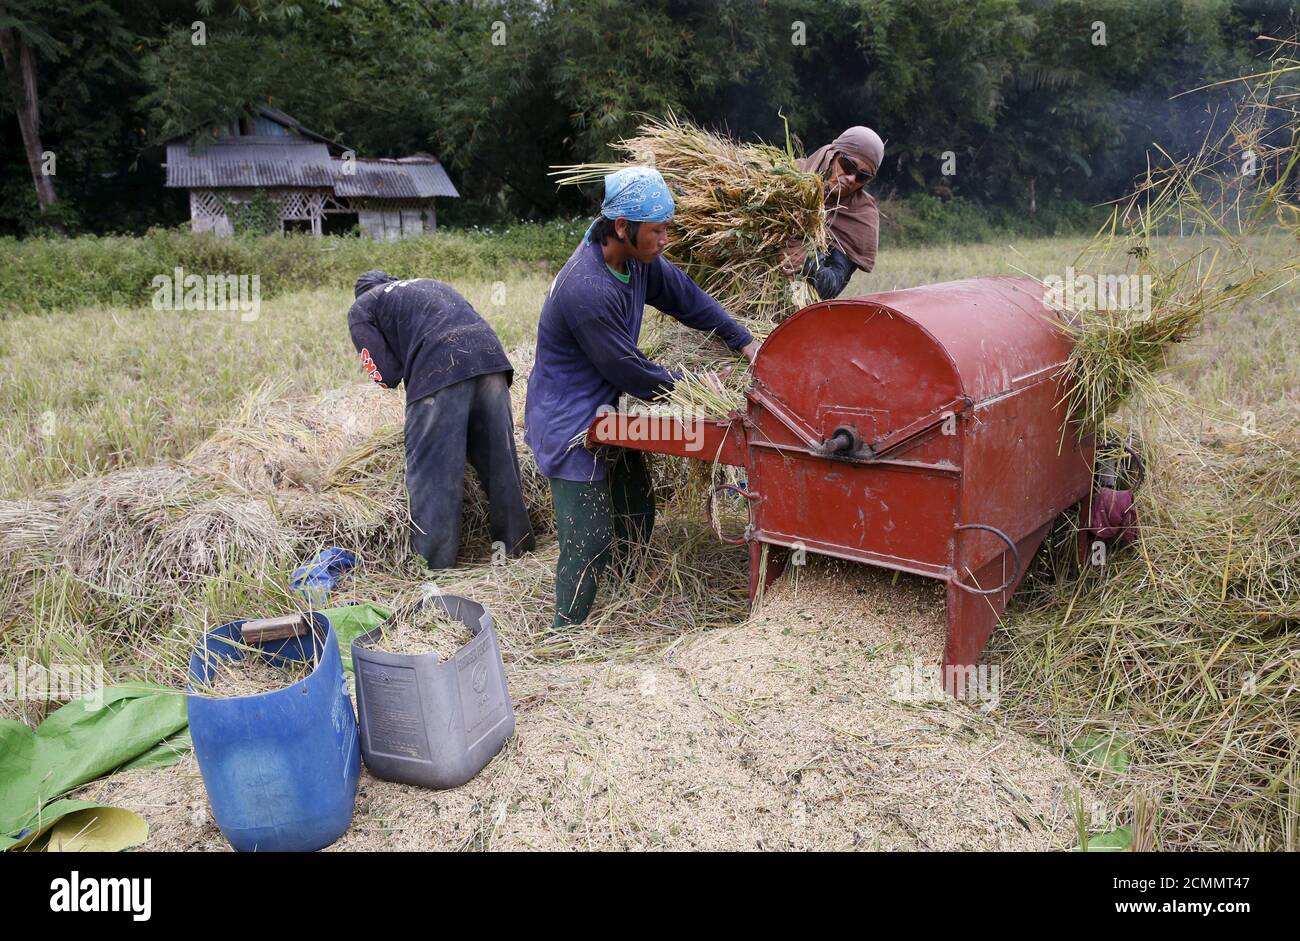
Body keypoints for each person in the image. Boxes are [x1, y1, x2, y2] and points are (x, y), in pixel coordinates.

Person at [524, 167, 758, 628]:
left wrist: (744, 340)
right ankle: (563, 636)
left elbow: (687, 298)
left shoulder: (637, 262)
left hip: (609, 408)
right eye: (658, 230)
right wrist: (693, 384)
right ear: (621, 227)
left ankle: (623, 593)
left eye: (667, 228)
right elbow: (631, 372)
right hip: (570, 420)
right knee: (588, 541)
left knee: (636, 511)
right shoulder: (586, 289)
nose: (665, 239)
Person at [348, 270, 535, 569]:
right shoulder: (427, 284)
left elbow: (386, 374)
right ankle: (517, 548)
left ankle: (433, 566)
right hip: (491, 360)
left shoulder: (362, 307)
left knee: (433, 473)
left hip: (440, 371)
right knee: (500, 462)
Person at [794, 125, 886, 299]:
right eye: (848, 165)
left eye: (862, 176)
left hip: (795, 308)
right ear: (831, 155)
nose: (851, 178)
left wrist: (807, 260)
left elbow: (832, 287)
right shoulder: (788, 178)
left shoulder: (860, 215)